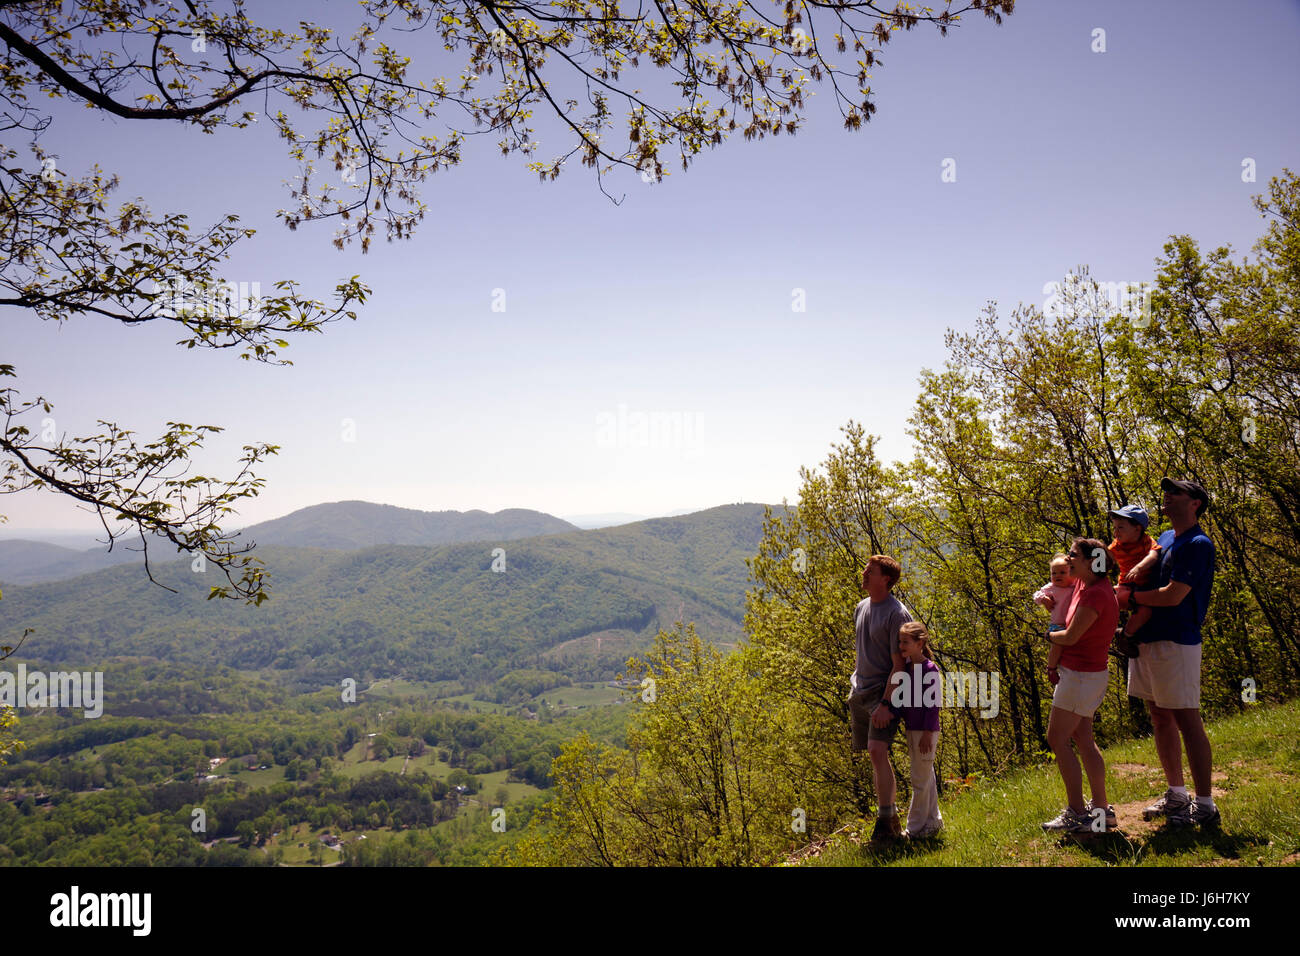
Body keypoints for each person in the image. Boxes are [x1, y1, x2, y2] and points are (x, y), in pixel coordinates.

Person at [1116, 478, 1218, 828]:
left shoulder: (1198, 543)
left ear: (1195, 503)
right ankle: (1177, 794)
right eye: (1167, 491)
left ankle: (1205, 804)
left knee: (1188, 721)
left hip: (1178, 640)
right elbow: (1145, 571)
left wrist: (1129, 599)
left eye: (1177, 492)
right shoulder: (1164, 538)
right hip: (1148, 638)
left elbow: (1174, 595)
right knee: (1159, 716)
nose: (1168, 496)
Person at [1041, 538, 1119, 833]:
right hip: (1086, 675)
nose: (1068, 559)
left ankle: (1076, 811)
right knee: (1084, 740)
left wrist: (1050, 636)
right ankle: (1101, 811)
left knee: (1057, 739)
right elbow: (1056, 593)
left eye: (1073, 555)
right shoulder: (1086, 587)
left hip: (1080, 676)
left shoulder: (1095, 595)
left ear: (1091, 561)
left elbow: (1071, 636)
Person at [847, 554, 913, 843]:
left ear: (885, 579)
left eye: (870, 570)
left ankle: (887, 822)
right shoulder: (861, 607)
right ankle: (889, 822)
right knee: (873, 755)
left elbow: (900, 665)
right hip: (860, 692)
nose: (863, 573)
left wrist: (887, 703)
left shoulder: (896, 614)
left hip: (883, 694)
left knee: (877, 750)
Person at [885, 622, 943, 839]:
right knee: (926, 777)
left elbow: (934, 704)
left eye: (905, 642)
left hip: (925, 732)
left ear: (920, 643)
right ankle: (933, 822)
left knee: (919, 780)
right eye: (900, 641)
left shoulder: (930, 669)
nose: (901, 646)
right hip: (912, 729)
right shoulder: (908, 668)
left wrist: (928, 733)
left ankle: (914, 829)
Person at [1107, 504, 1161, 642]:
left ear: (1137, 528)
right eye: (1115, 528)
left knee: (1145, 611)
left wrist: (1139, 567)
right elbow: (1104, 561)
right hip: (1125, 584)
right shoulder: (1115, 546)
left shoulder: (1146, 541)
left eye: (1120, 527)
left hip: (1144, 586)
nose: (1116, 532)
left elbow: (1153, 555)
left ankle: (1126, 635)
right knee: (1106, 598)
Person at [1033, 553, 1077, 686]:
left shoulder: (1074, 586)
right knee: (1056, 647)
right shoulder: (1051, 588)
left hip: (1072, 624)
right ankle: (1051, 668)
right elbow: (1036, 595)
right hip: (1057, 624)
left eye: (1063, 572)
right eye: (1054, 573)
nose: (1057, 576)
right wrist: (1044, 599)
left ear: (1072, 574)